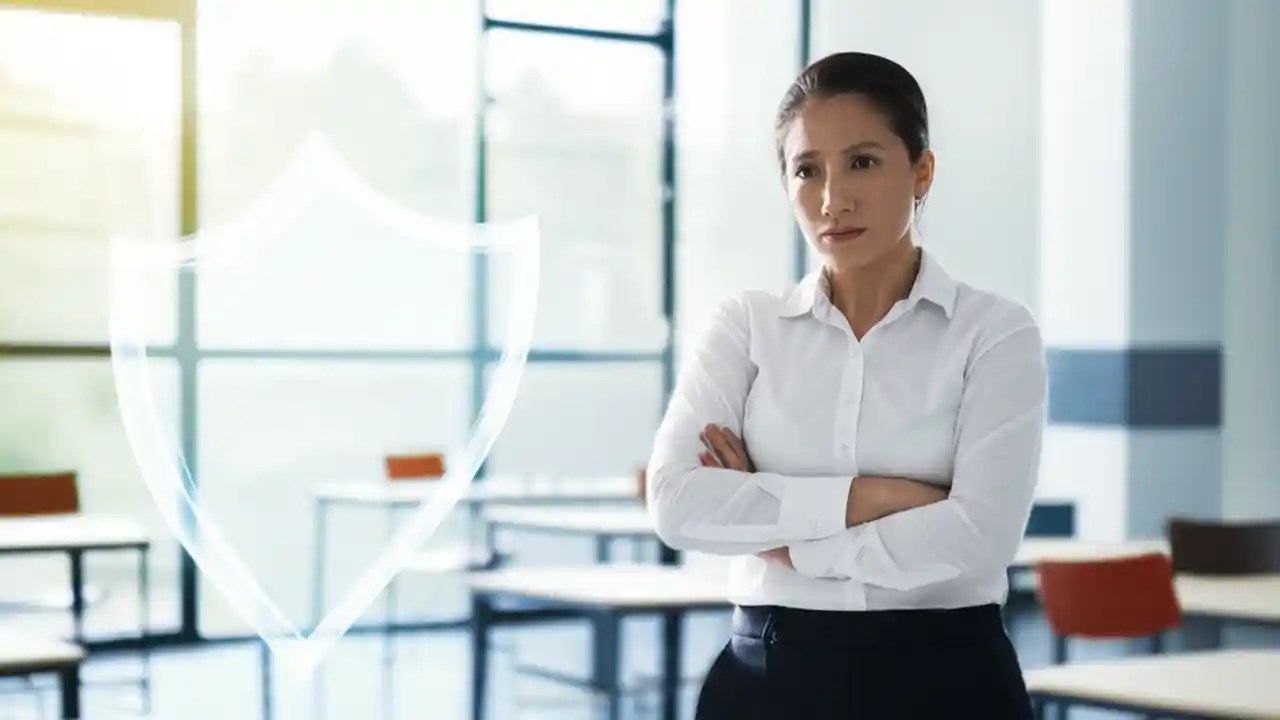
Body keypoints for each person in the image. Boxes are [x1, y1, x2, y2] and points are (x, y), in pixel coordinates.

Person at [645, 51, 1045, 718]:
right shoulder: (746, 327)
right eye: (808, 170)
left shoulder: (994, 332)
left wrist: (779, 538)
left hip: (947, 680)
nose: (833, 199)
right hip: (767, 679)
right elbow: (677, 502)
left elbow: (981, 535)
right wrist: (875, 497)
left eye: (862, 161)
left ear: (922, 172)